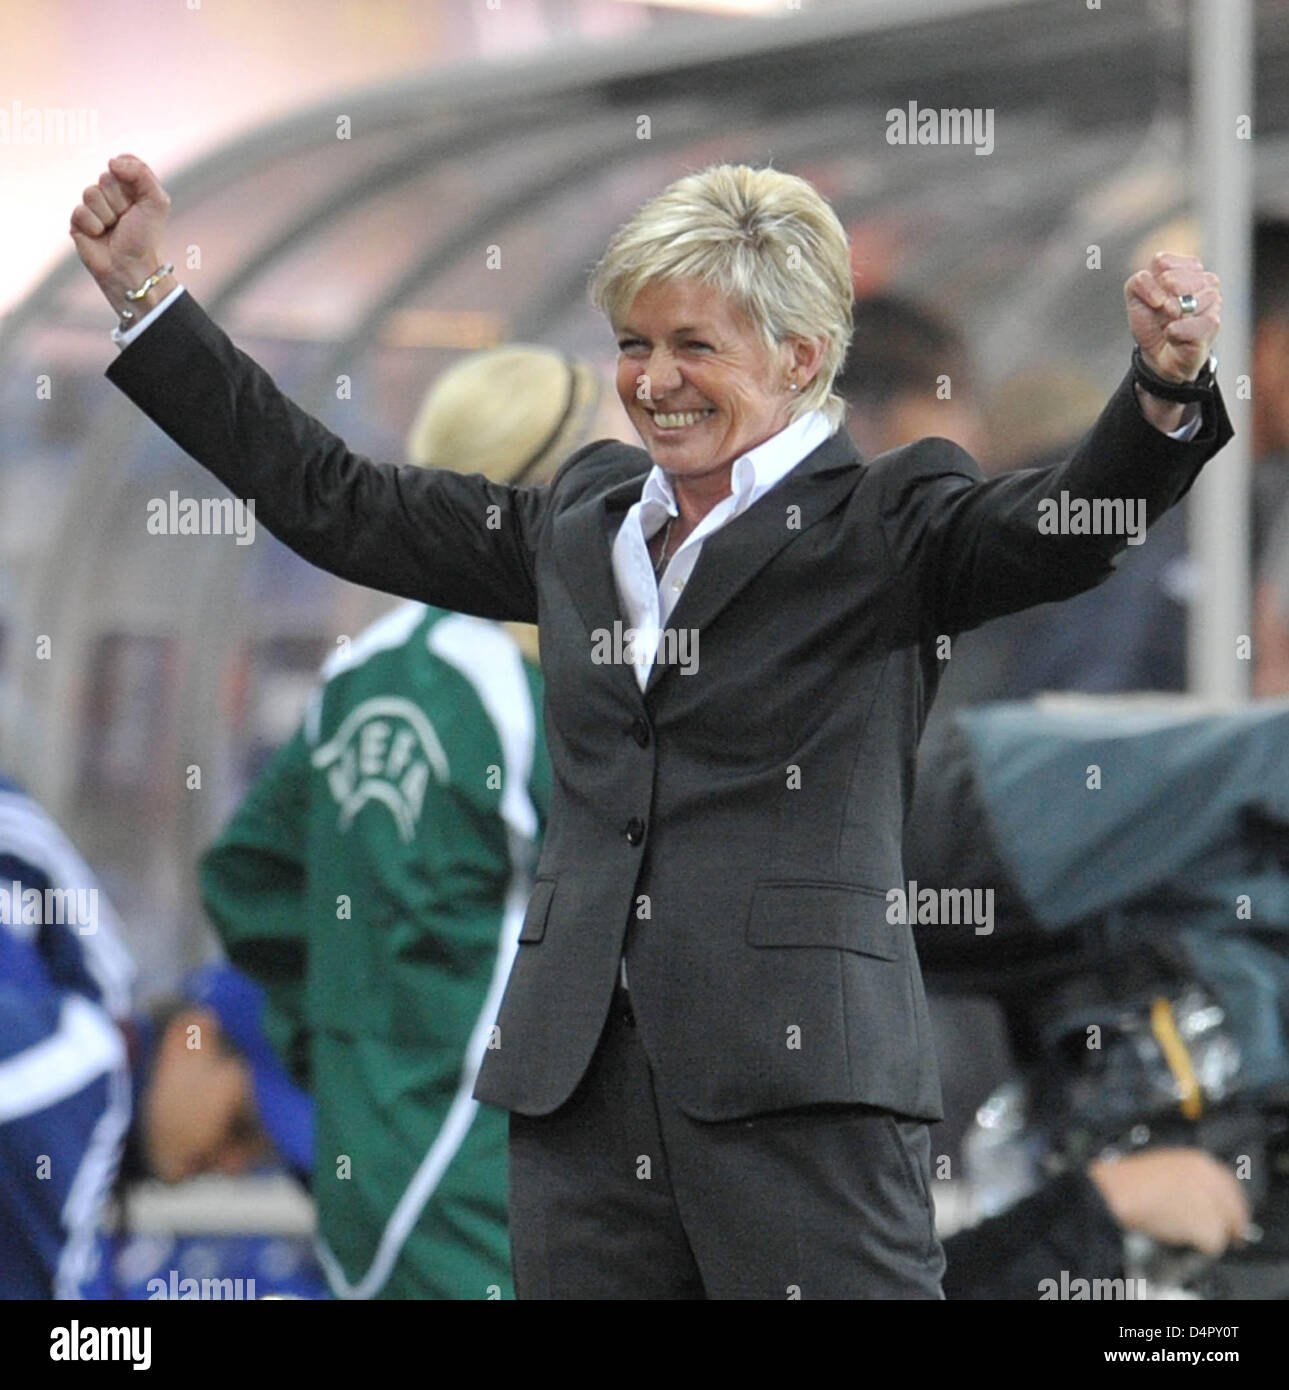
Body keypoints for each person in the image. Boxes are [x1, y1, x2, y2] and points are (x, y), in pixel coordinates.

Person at [71, 153, 1231, 1299]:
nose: (654, 379)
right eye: (634, 343)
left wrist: (1161, 396)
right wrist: (145, 298)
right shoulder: (581, 516)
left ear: (802, 357)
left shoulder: (882, 520)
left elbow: (1060, 532)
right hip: (572, 1098)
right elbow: (337, 499)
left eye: (694, 346)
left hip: (797, 1093)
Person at [199, 345, 616, 1300]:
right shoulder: (534, 697)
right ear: (541, 491)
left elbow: (248, 874)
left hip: (370, 1175)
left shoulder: (358, 673)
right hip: (493, 1184)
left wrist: (330, 1046)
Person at [0, 774, 307, 1298]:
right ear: (197, 1037)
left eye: (261, 1160)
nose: (231, 1167)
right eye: (239, 1127)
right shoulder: (80, 1069)